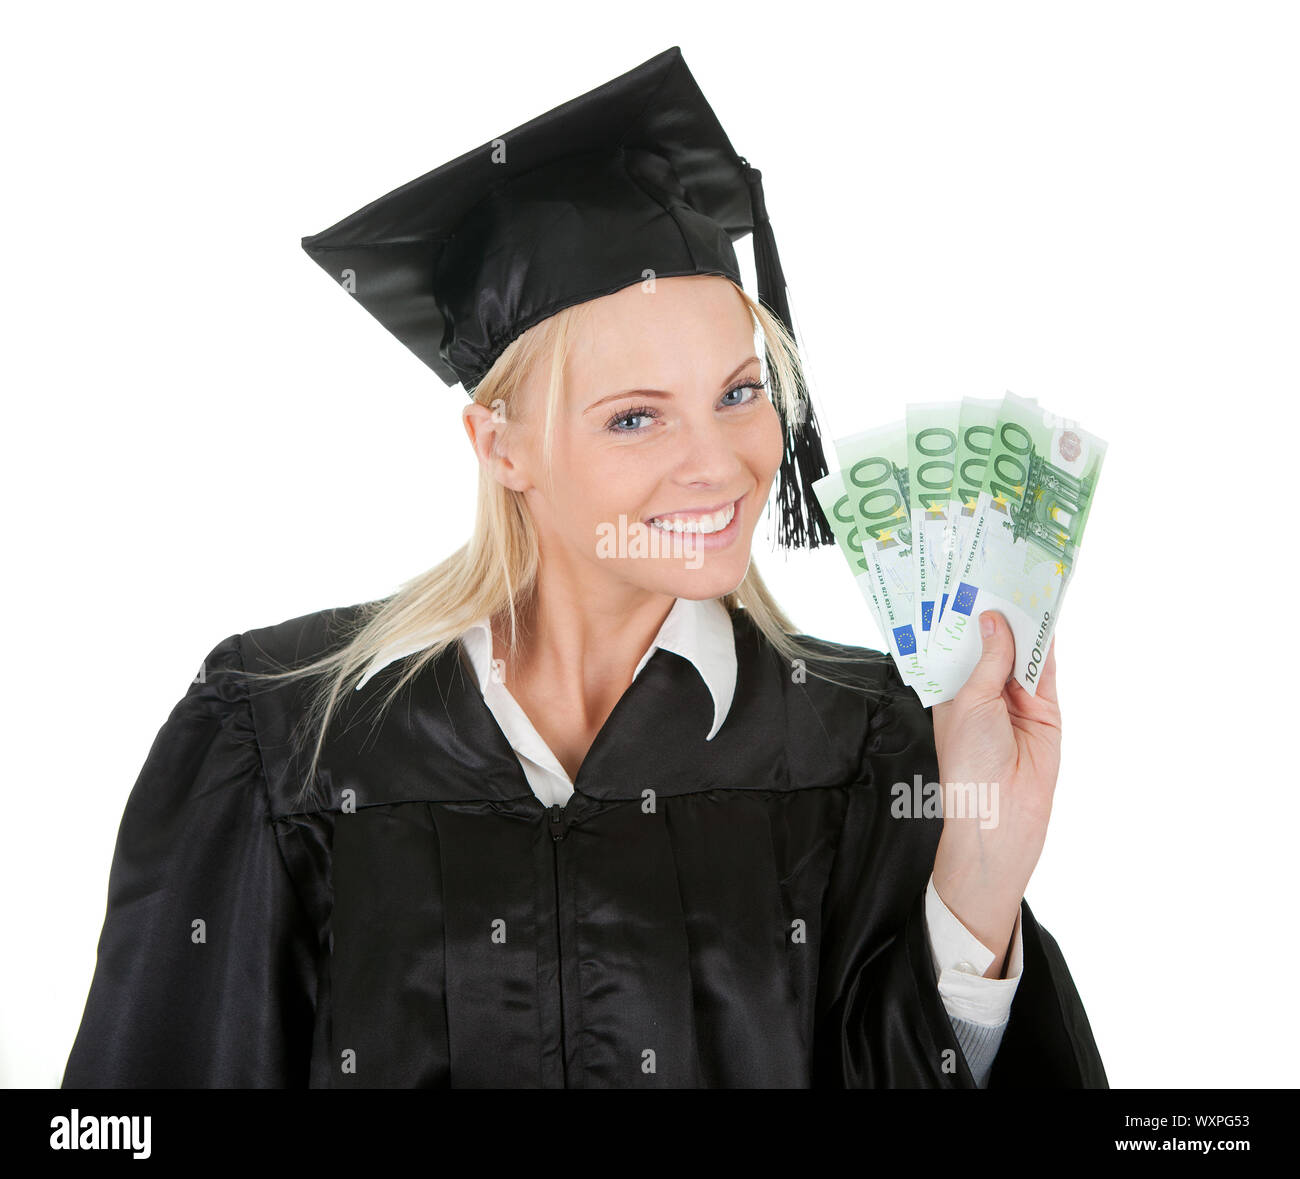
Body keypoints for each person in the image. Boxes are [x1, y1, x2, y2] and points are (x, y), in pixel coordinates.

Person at [61, 46, 1106, 1088]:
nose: (718, 464)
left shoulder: (869, 740)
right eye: (636, 416)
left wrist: (978, 880)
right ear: (499, 446)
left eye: (739, 394)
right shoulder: (286, 732)